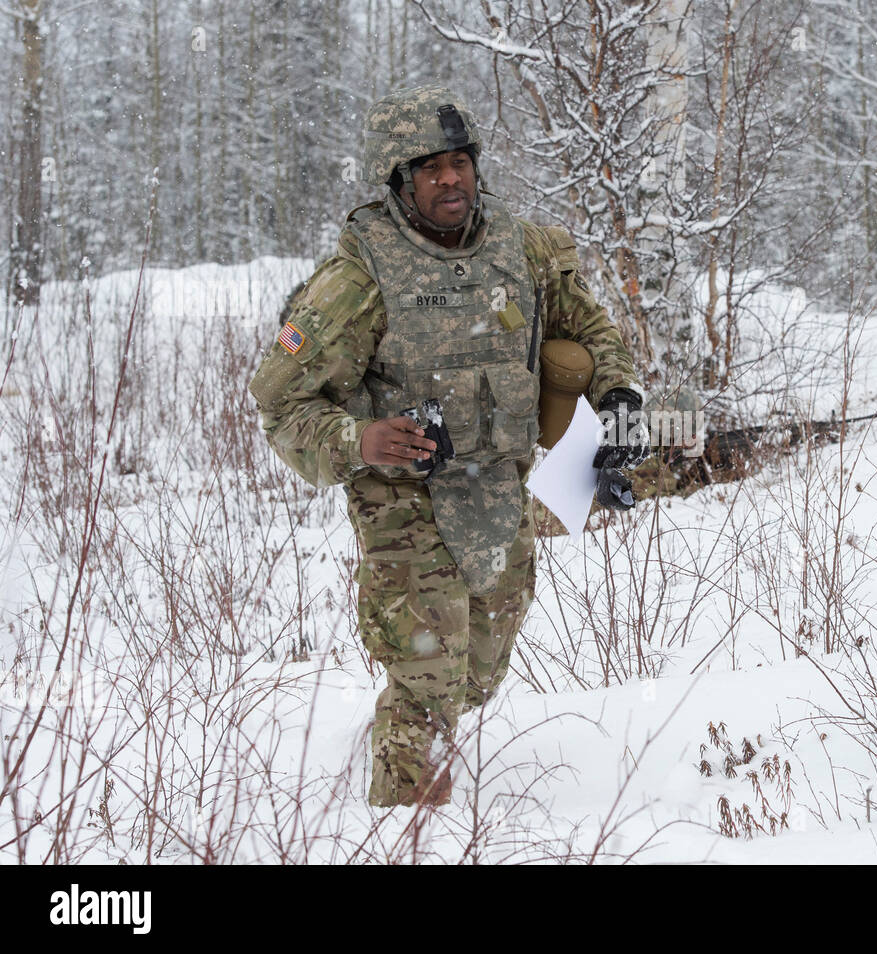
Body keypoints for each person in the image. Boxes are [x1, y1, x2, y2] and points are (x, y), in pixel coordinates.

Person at [248, 84, 647, 808]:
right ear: (399, 182)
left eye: (458, 161)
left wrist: (617, 397)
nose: (450, 178)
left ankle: (398, 754)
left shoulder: (518, 250)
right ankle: (400, 821)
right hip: (403, 498)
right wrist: (361, 438)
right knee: (428, 671)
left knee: (479, 674)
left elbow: (591, 328)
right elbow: (280, 401)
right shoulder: (359, 278)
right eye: (429, 167)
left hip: (497, 485)